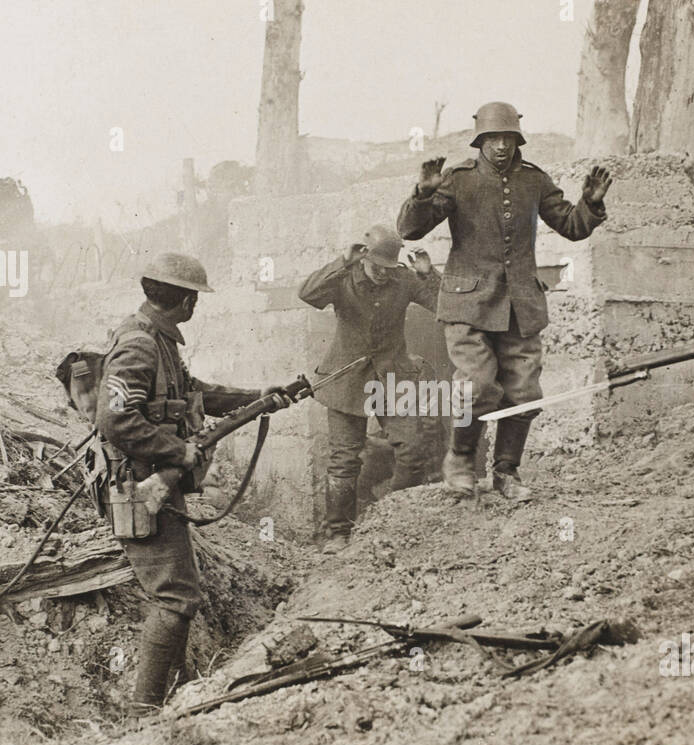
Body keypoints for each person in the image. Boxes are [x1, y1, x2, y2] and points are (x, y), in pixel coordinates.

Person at [96, 252, 289, 713]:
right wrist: (177, 452)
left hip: (156, 486)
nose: (195, 306)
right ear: (181, 299)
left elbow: (194, 393)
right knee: (177, 597)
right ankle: (145, 712)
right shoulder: (140, 345)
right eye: (193, 298)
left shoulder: (160, 342)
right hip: (141, 488)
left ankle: (176, 697)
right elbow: (114, 419)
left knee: (180, 594)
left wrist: (256, 399)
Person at [398, 101, 611, 500]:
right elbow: (410, 230)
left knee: (524, 393)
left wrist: (590, 203)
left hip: (521, 306)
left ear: (518, 141)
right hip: (468, 307)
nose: (501, 147)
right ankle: (460, 459)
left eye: (508, 139)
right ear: (480, 141)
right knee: (477, 387)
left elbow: (571, 225)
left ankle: (507, 472)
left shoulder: (534, 180)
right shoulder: (457, 179)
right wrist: (422, 195)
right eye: (493, 139)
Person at [299, 224, 441, 551]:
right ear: (364, 256)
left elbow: (443, 305)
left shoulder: (403, 279)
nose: (381, 274)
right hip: (348, 381)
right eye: (376, 266)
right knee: (344, 459)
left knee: (412, 447)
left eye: (387, 267)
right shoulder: (343, 278)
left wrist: (428, 273)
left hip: (393, 378)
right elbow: (306, 293)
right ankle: (338, 533)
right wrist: (341, 261)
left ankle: (397, 523)